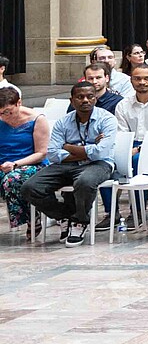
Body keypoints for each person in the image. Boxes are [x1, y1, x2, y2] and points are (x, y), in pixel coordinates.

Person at [23, 82, 123, 247]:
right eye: (80, 97)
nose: (85, 100)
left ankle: (79, 221)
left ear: (95, 98)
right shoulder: (63, 122)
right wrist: (88, 149)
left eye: (90, 96)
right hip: (66, 165)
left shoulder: (107, 119)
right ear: (72, 100)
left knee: (84, 182)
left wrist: (68, 147)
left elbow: (101, 153)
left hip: (99, 164)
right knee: (30, 187)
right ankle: (64, 216)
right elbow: (53, 154)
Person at [0, 86, 51, 230]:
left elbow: (41, 153)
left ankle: (31, 218)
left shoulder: (36, 119)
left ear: (18, 103)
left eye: (8, 112)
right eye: (1, 113)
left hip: (31, 164)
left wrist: (15, 164)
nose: (4, 116)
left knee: (12, 179)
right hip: (3, 164)